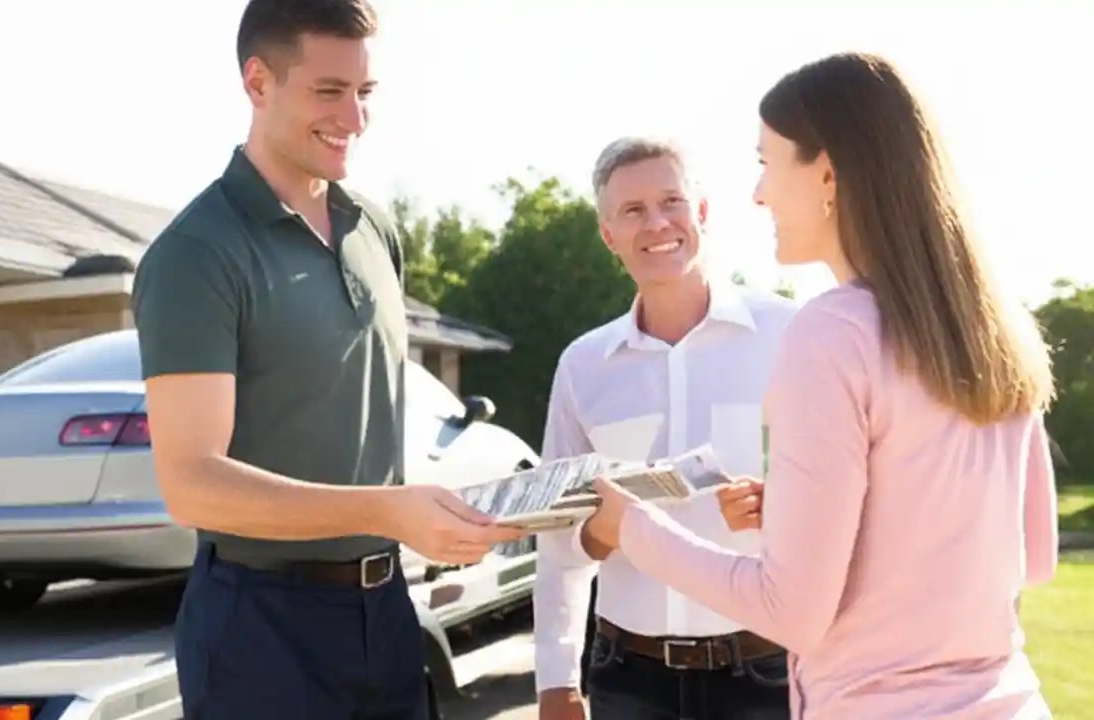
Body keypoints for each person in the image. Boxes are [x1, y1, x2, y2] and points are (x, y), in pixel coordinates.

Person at [584, 51, 1059, 720]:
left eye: (766, 163)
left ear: (827, 173)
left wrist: (631, 525)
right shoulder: (994, 327)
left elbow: (791, 613)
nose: (759, 193)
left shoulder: (832, 332)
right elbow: (1032, 557)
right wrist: (805, 512)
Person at [130, 1, 523, 718]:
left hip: (388, 615)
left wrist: (440, 519)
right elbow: (191, 484)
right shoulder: (197, 253)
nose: (355, 118)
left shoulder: (373, 228)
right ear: (258, 81)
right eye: (329, 91)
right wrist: (390, 511)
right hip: (260, 630)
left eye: (365, 92)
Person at [534, 135, 800, 720]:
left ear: (701, 212)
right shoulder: (582, 366)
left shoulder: (794, 334)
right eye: (632, 210)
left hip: (770, 676)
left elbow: (855, 493)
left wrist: (781, 506)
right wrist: (556, 680)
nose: (657, 223)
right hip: (628, 683)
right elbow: (559, 539)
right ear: (609, 235)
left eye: (671, 202)